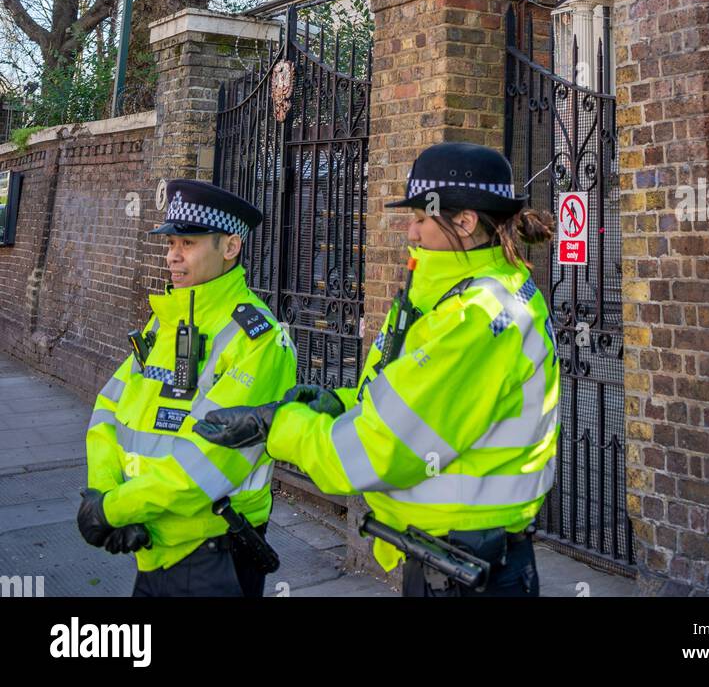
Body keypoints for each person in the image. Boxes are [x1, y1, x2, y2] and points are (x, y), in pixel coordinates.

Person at [195, 142, 560, 597]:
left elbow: (381, 448)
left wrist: (278, 428)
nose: (410, 230)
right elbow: (404, 396)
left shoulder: (477, 315)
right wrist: (337, 403)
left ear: (464, 222)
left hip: (469, 573)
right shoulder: (462, 293)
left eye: (423, 218)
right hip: (453, 557)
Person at [78, 179, 298, 597]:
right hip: (149, 543)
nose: (172, 257)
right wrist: (104, 492)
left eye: (188, 244)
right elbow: (109, 409)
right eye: (171, 243)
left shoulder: (259, 340)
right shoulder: (164, 321)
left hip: (213, 552)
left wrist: (113, 509)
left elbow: (209, 462)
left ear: (230, 247)